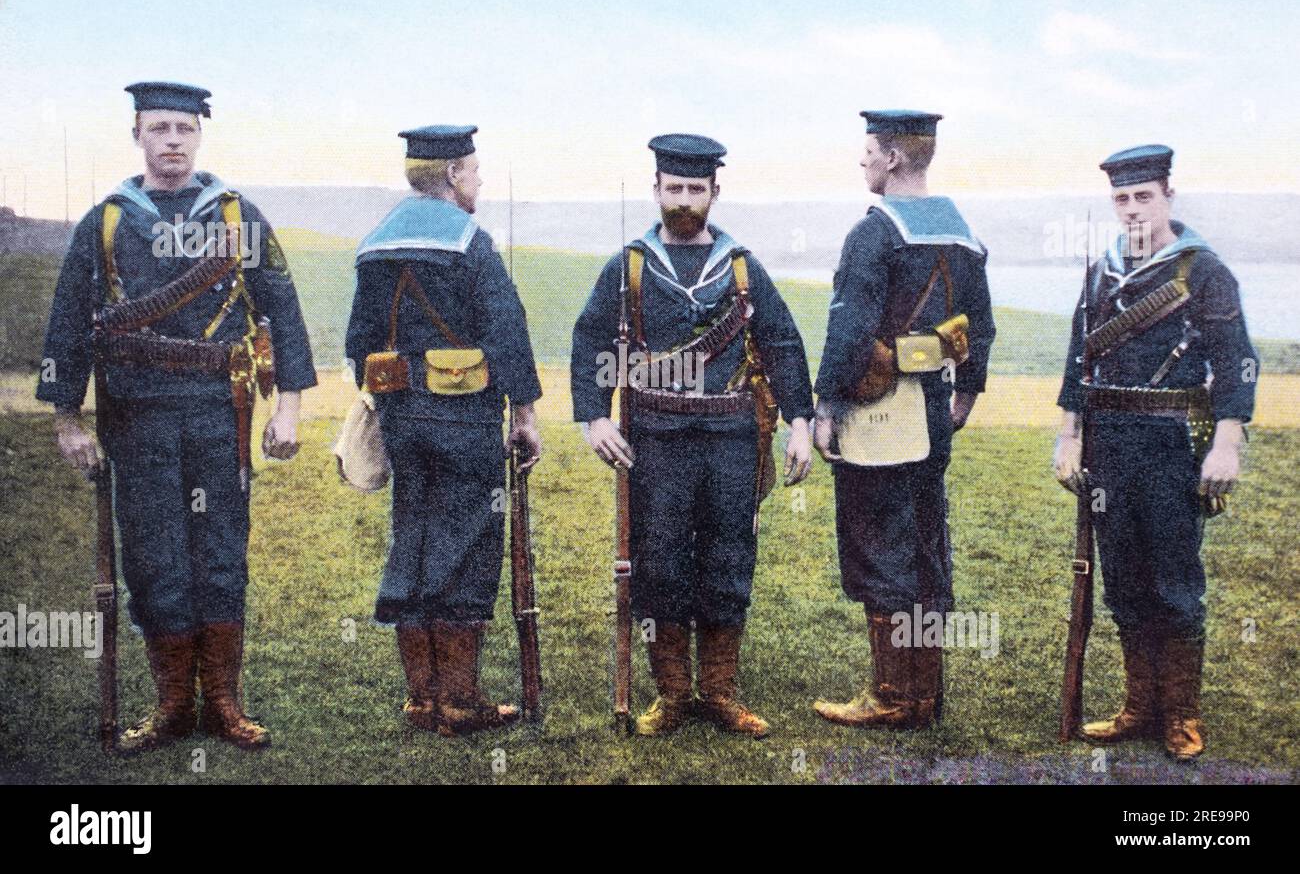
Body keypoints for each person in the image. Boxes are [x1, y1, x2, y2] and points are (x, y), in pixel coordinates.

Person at [37, 81, 317, 752]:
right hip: (137, 419)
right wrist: (67, 420)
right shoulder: (106, 220)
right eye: (159, 127)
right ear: (137, 133)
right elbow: (69, 322)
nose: (171, 140)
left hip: (221, 414)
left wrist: (290, 407)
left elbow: (283, 305)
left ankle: (223, 701)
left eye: (183, 129)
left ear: (199, 136)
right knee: (157, 557)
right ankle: (171, 706)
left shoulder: (235, 215)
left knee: (220, 553)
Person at [571, 134, 814, 739]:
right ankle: (673, 696)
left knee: (730, 558)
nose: (683, 200)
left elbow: (782, 342)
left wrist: (801, 422)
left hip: (731, 435)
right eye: (673, 188)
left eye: (695, 190)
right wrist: (594, 417)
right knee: (659, 563)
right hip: (655, 438)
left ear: (714, 193)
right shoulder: (629, 264)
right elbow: (590, 340)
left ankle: (721, 694)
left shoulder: (739, 268)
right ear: (656, 189)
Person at [1053, 144, 1257, 762]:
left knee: (1174, 583)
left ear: (1169, 196)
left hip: (1172, 448)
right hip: (1110, 445)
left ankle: (1180, 716)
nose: (1133, 209)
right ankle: (1139, 707)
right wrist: (1070, 435)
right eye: (1122, 197)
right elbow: (1077, 363)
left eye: (1144, 196)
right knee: (1123, 580)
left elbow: (1236, 362)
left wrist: (1228, 441)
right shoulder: (1102, 269)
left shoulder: (1202, 271)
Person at [344, 125, 542, 736]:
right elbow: (506, 328)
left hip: (403, 416)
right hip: (464, 417)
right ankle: (459, 703)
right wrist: (527, 413)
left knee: (415, 540)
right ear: (454, 174)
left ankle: (419, 701)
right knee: (470, 545)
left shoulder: (375, 244)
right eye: (475, 170)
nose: (478, 180)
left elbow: (359, 341)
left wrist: (390, 403)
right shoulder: (469, 242)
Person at [812, 110, 995, 730]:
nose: (861, 161)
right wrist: (965, 393)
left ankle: (892, 698)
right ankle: (924, 698)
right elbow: (982, 327)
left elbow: (850, 331)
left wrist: (826, 406)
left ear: (892, 158)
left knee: (878, 549)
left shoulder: (874, 234)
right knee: (925, 549)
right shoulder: (963, 234)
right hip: (934, 413)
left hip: (877, 414)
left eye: (867, 150)